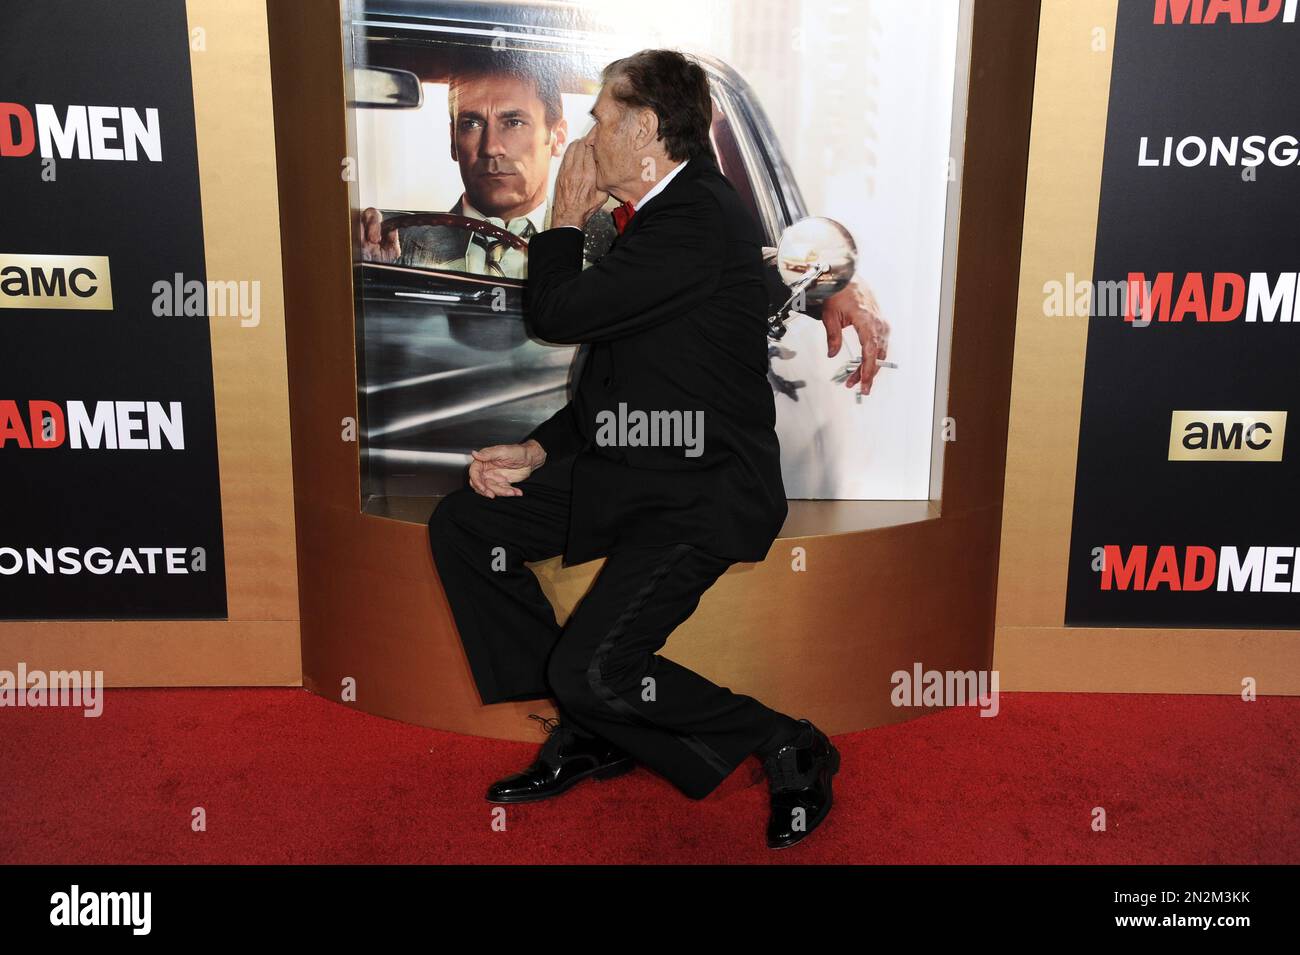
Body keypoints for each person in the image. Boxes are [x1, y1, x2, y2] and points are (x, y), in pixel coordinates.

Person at [427, 49, 839, 849]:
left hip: (703, 486)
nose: (587, 132)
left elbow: (557, 315)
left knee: (594, 668)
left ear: (646, 128)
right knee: (469, 528)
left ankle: (787, 741)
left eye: (603, 117)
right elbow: (617, 380)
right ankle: (590, 730)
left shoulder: (695, 220)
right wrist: (541, 453)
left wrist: (559, 224)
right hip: (633, 462)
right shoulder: (654, 221)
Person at [355, 54, 616, 278]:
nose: (491, 147)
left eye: (513, 122)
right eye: (471, 123)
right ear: (453, 142)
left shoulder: (612, 245)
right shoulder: (395, 243)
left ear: (557, 137)